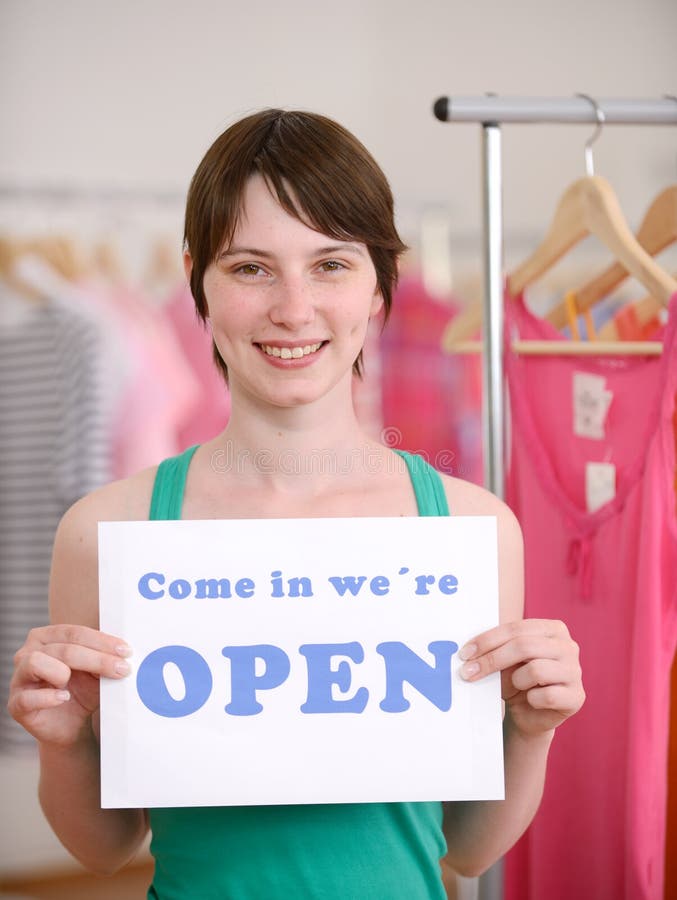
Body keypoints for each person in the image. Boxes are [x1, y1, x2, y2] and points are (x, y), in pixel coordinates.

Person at [7, 108, 585, 899]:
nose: (292, 308)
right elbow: (107, 848)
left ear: (381, 284)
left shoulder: (469, 529)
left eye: (330, 265)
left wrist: (530, 731)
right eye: (250, 268)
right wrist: (66, 744)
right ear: (196, 282)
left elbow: (465, 849)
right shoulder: (109, 533)